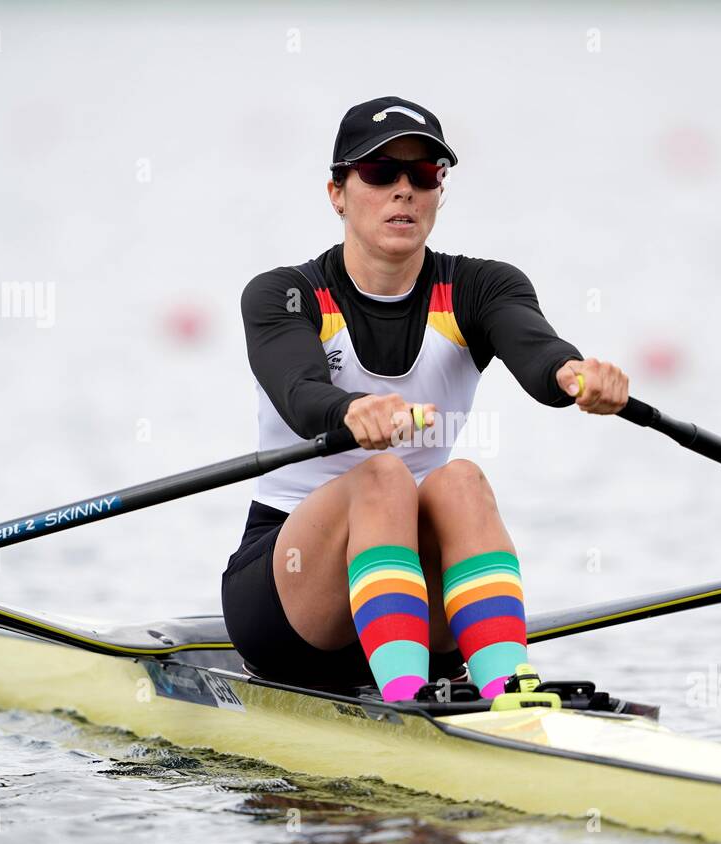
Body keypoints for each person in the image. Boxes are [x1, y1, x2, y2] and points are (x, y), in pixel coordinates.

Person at [222, 96, 628, 702]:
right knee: (383, 475)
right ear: (337, 192)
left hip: (412, 583)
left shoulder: (483, 286)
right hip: (293, 600)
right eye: (381, 173)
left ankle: (507, 692)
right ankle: (408, 700)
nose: (404, 190)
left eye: (424, 173)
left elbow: (537, 349)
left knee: (459, 479)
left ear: (440, 189)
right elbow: (300, 392)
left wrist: (576, 377)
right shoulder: (283, 295)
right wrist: (350, 410)